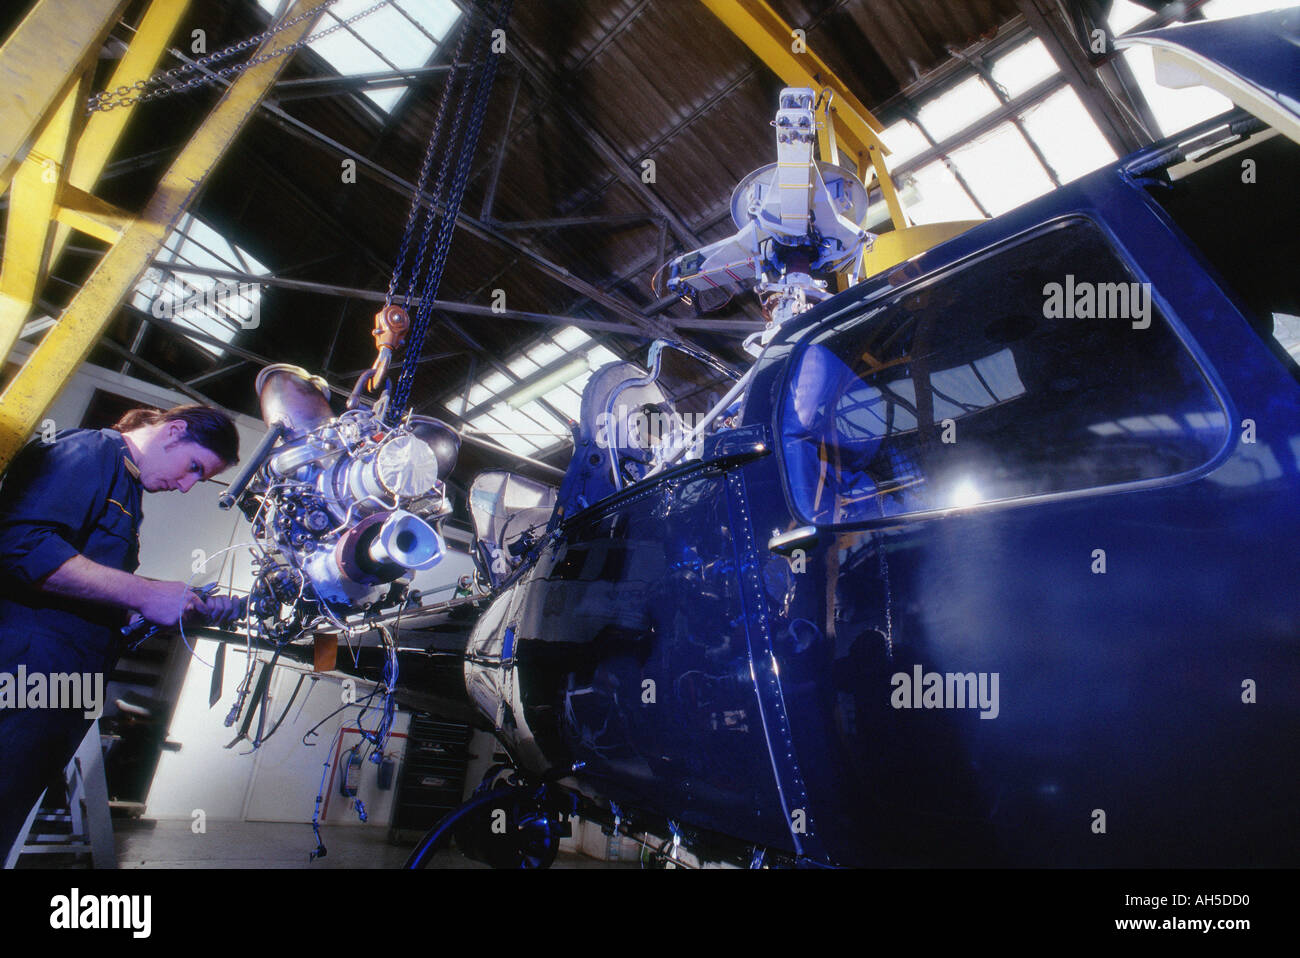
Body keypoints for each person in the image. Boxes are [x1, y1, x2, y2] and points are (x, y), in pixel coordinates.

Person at [0, 404, 242, 859]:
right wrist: (143, 593)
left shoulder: (127, 491)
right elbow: (19, 545)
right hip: (25, 673)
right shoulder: (90, 451)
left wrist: (177, 608)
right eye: (194, 468)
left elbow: (91, 596)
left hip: (61, 687)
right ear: (173, 431)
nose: (188, 485)